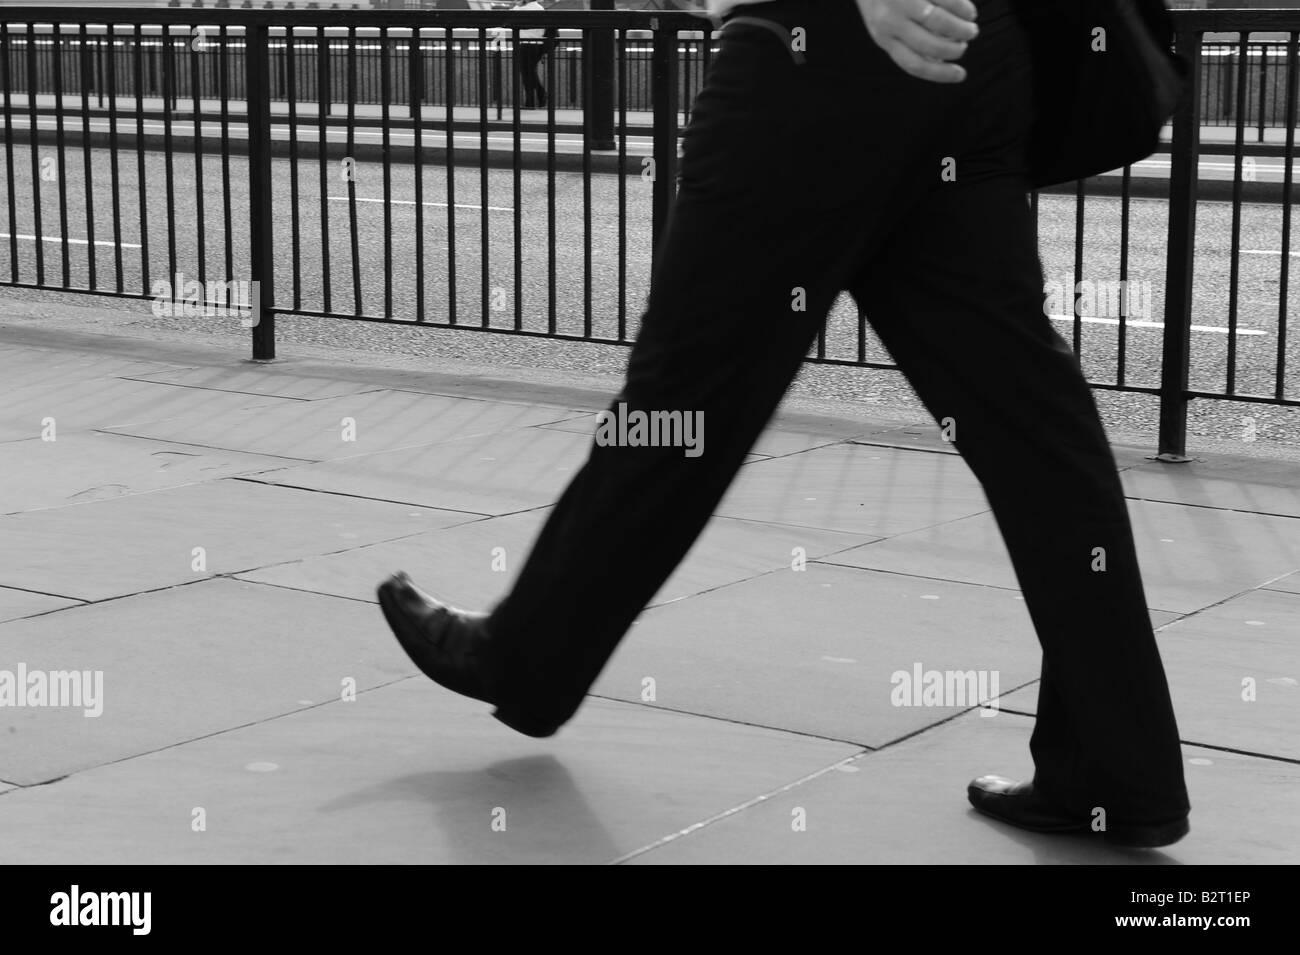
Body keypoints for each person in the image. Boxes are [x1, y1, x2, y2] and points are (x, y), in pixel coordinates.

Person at [378, 0, 1191, 848]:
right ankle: (1114, 765)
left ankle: (523, 655)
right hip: (971, 53)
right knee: (1031, 424)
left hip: (828, 44)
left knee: (681, 404)